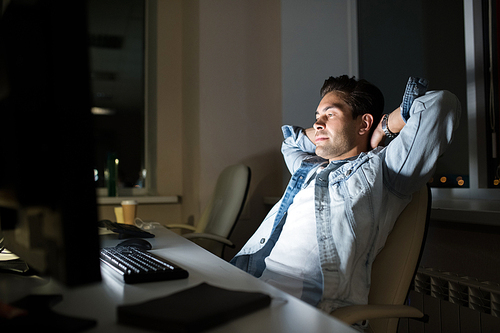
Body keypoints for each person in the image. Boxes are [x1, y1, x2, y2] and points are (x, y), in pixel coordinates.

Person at [230, 76, 461, 314]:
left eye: (330, 114)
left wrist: (383, 126)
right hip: (251, 283)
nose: (318, 123)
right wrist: (325, 127)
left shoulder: (385, 170)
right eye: (317, 116)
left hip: (305, 308)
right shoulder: (309, 168)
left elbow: (441, 104)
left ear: (363, 124)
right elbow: (290, 142)